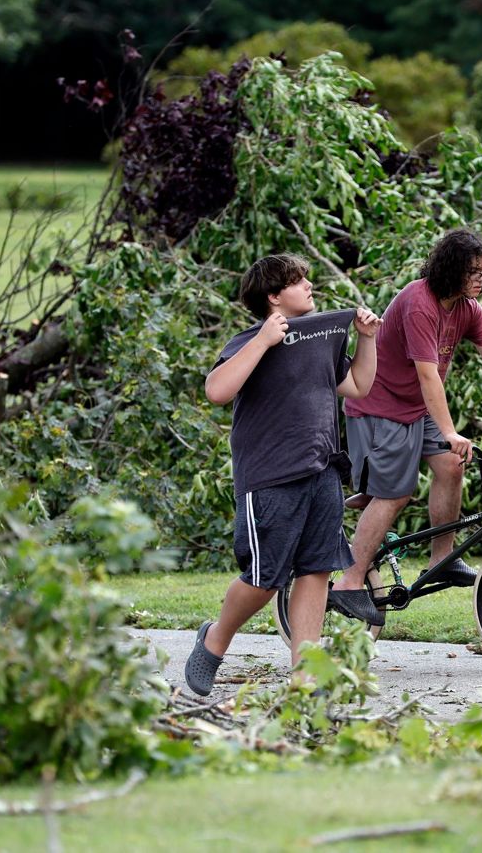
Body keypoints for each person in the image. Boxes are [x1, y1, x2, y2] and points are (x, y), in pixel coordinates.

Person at [184, 253, 381, 696]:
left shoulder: (323, 337)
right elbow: (216, 391)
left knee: (315, 571)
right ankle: (215, 641)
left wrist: (366, 340)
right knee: (264, 580)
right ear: (274, 296)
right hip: (270, 478)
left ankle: (304, 677)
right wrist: (264, 340)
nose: (309, 286)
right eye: (297, 282)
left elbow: (358, 387)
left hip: (323, 470)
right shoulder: (248, 340)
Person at [329, 229, 482, 625]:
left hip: (417, 407)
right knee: (395, 494)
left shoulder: (467, 308)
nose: (481, 280)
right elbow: (429, 376)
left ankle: (442, 560)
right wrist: (450, 433)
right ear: (450, 269)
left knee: (452, 466)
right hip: (378, 406)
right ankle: (349, 581)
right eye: (473, 272)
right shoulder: (420, 303)